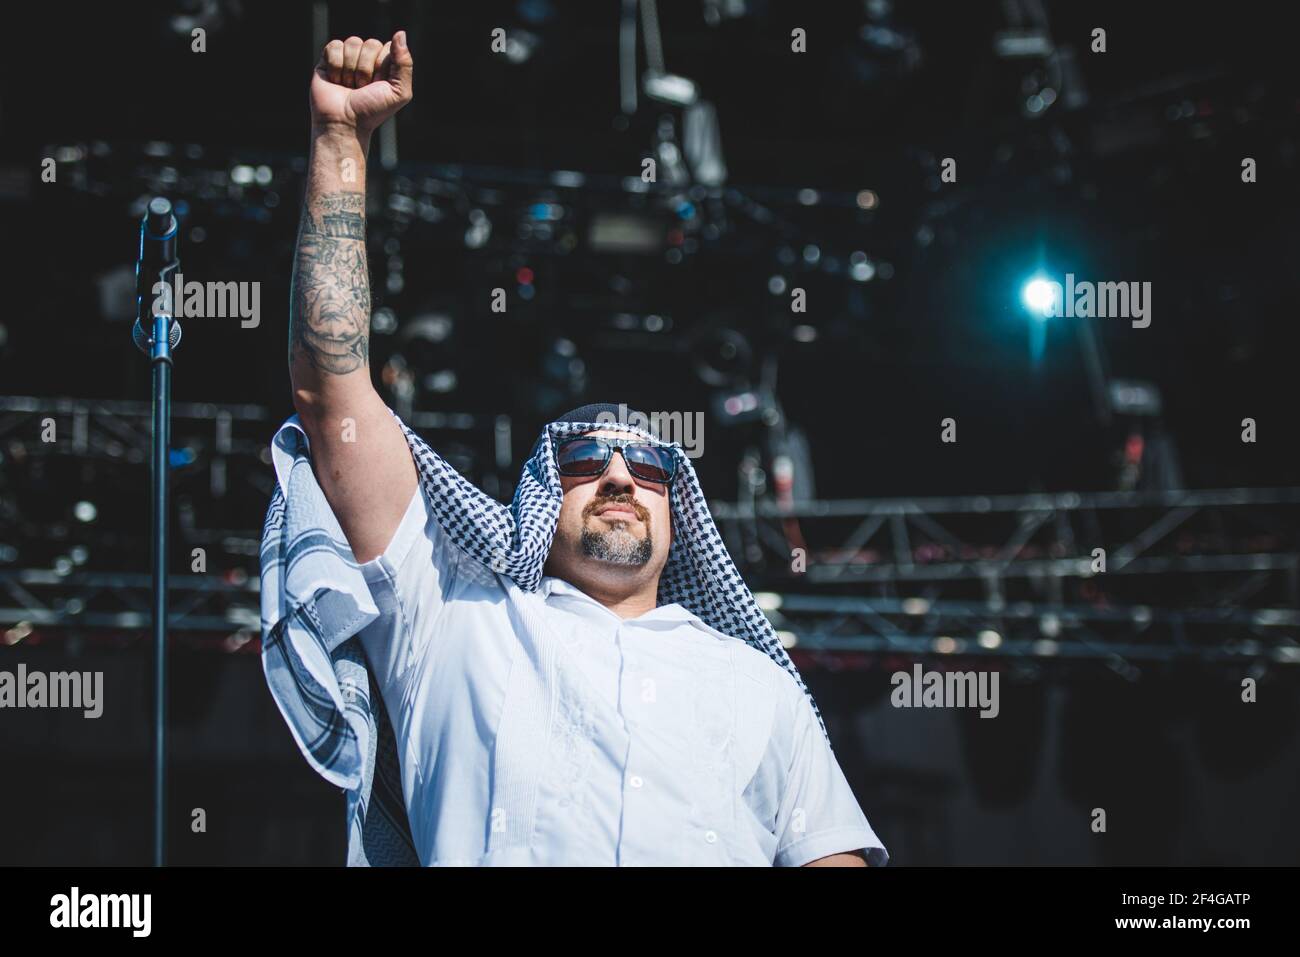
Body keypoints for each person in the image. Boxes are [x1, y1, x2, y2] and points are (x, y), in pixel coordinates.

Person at [261, 30, 888, 867]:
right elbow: (330, 388)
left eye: (650, 465)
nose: (621, 475)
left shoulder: (757, 685)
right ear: (538, 503)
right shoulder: (452, 621)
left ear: (682, 507)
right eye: (587, 462)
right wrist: (340, 141)